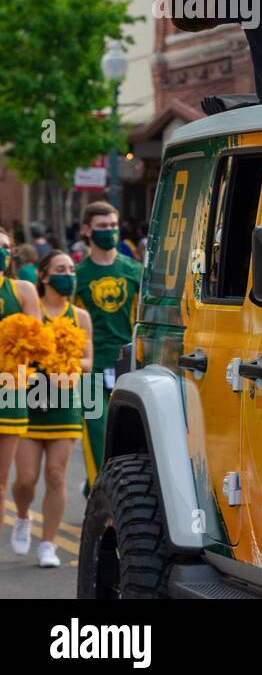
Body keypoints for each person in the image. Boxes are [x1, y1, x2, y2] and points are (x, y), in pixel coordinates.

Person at [12, 251, 92, 567]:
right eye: (61, 269)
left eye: (72, 269)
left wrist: (67, 362)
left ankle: (48, 545)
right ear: (44, 276)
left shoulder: (80, 317)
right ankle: (21, 516)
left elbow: (88, 360)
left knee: (56, 475)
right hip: (30, 402)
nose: (68, 274)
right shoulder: (32, 311)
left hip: (65, 403)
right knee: (26, 479)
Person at [73, 202, 142, 490]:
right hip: (90, 372)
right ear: (87, 230)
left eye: (113, 225)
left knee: (129, 444)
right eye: (103, 227)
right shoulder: (77, 275)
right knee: (98, 437)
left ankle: (100, 492)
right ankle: (99, 498)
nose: (110, 231)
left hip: (129, 367)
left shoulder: (134, 270)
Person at [0, 227, 41, 557]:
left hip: (10, 390)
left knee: (1, 479)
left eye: (3, 248)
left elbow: (36, 342)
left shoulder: (23, 289)